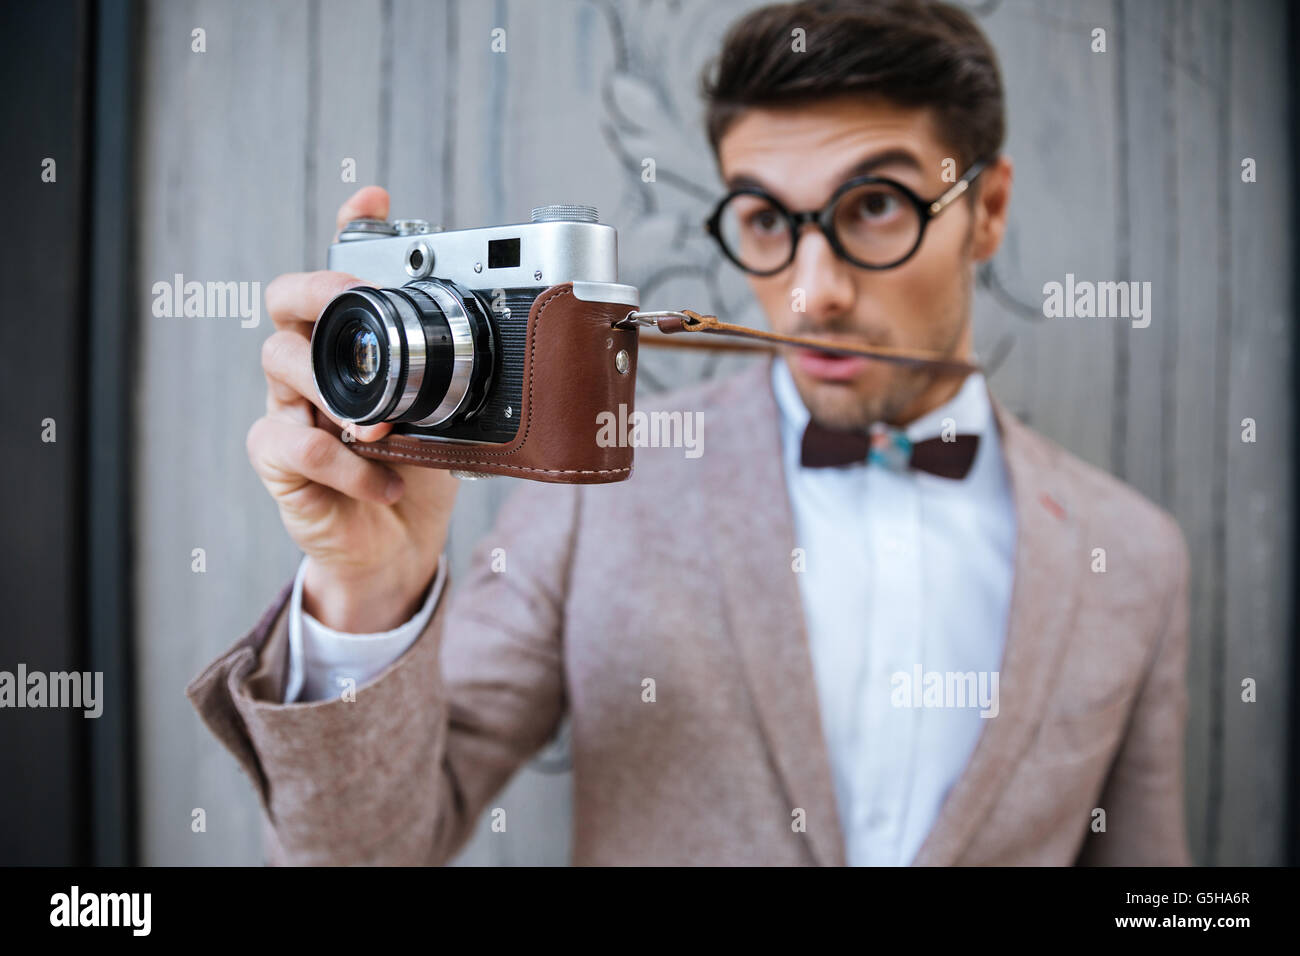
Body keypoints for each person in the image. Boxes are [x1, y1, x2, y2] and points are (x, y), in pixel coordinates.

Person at [188, 0, 1192, 866]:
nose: (812, 292)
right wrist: (365, 592)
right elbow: (368, 857)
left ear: (988, 209)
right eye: (765, 219)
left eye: (875, 205)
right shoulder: (598, 479)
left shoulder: (1134, 557)